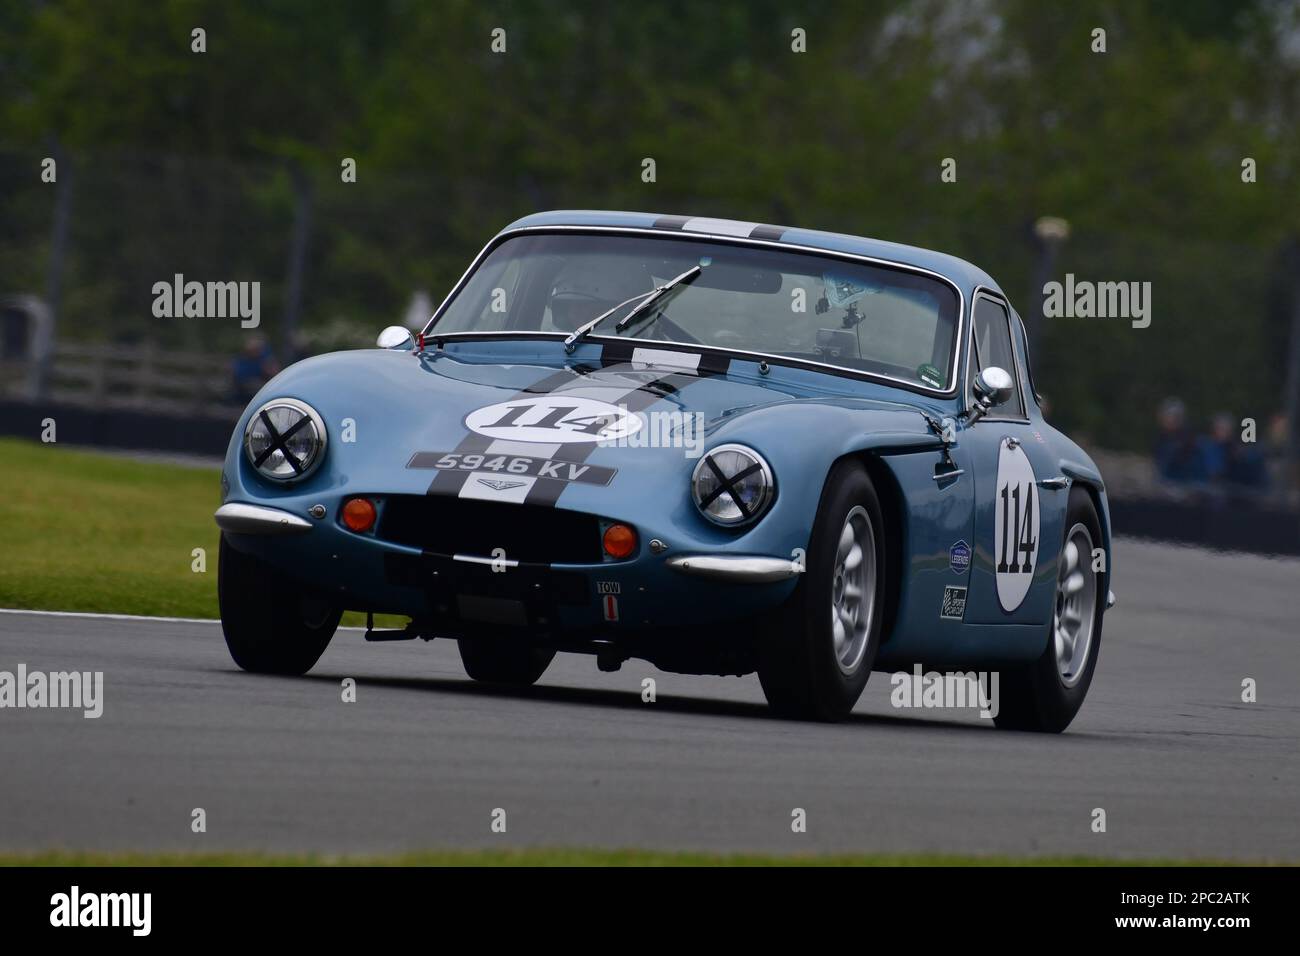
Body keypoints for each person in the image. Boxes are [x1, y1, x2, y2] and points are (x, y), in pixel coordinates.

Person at [1153, 397, 1208, 484]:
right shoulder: (1161, 439)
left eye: (1174, 417)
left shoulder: (1192, 441)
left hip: (1189, 486)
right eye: (1166, 416)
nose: (1169, 420)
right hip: (1169, 485)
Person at [230, 336, 281, 405]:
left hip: (261, 393)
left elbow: (275, 376)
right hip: (243, 393)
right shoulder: (242, 361)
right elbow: (237, 377)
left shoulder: (266, 358)